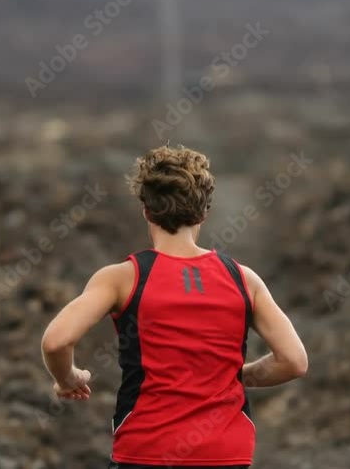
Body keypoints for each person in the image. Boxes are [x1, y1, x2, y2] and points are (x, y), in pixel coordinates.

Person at [41, 145, 308, 468]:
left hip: (146, 451)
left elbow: (56, 341)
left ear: (146, 210)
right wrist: (237, 377)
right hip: (225, 453)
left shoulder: (121, 279)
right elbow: (293, 361)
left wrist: (69, 378)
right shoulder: (243, 280)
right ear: (204, 212)